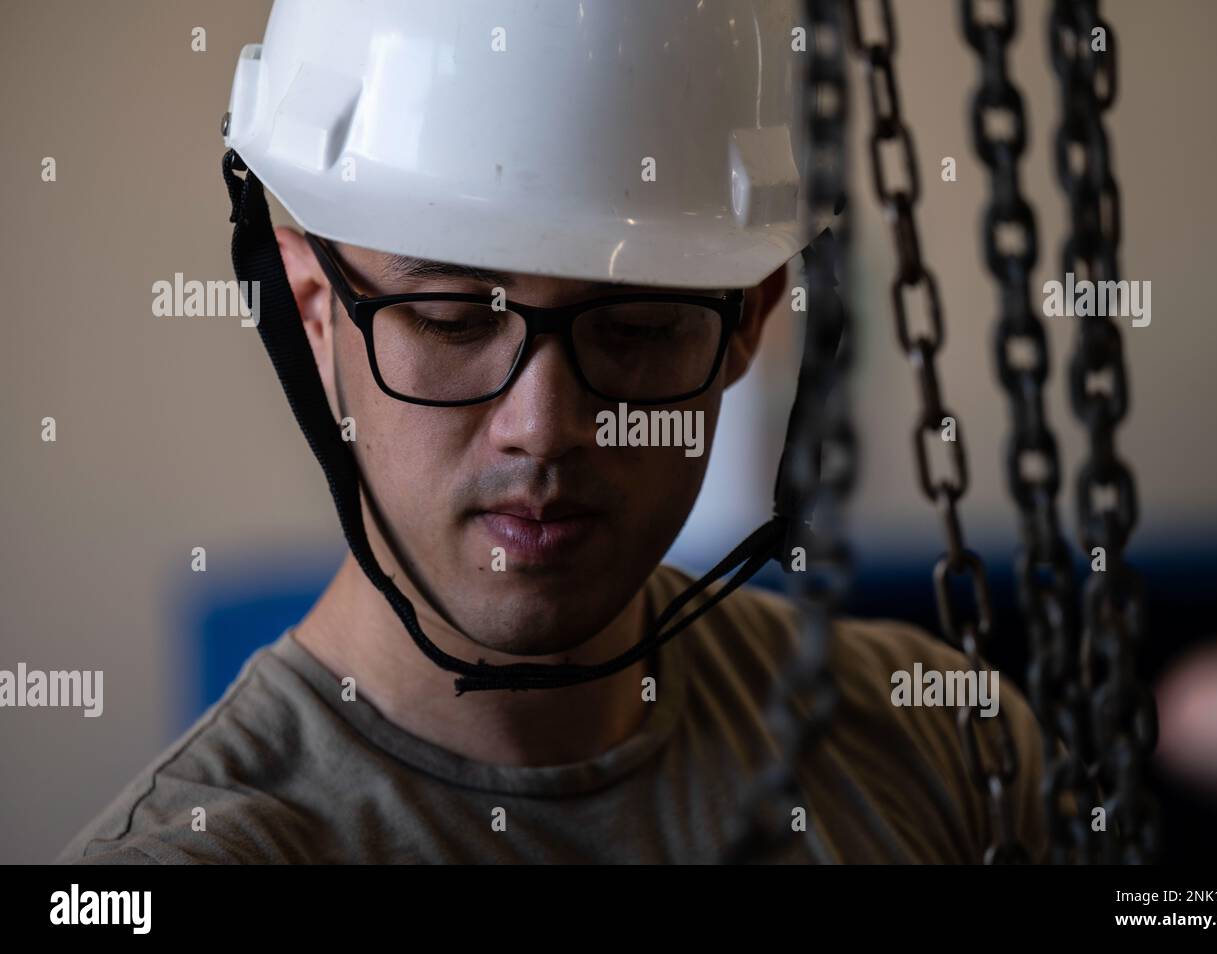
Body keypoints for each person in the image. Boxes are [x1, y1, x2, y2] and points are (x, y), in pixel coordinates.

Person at [57, 0, 1046, 864]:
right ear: (312, 307)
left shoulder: (941, 745)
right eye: (452, 320)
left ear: (748, 321)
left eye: (639, 330)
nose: (546, 429)